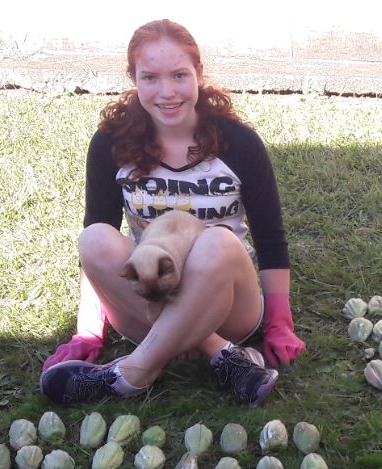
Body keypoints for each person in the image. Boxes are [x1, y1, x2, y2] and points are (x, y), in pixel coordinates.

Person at [40, 19, 305, 406]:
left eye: (179, 75)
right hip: (147, 297)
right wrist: (87, 333)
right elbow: (96, 248)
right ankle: (221, 355)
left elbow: (271, 239)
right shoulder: (110, 145)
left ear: (198, 73)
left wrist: (279, 322)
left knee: (217, 239)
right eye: (150, 77)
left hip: (229, 302)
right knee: (94, 237)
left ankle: (128, 374)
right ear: (133, 78)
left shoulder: (239, 143)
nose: (167, 92)